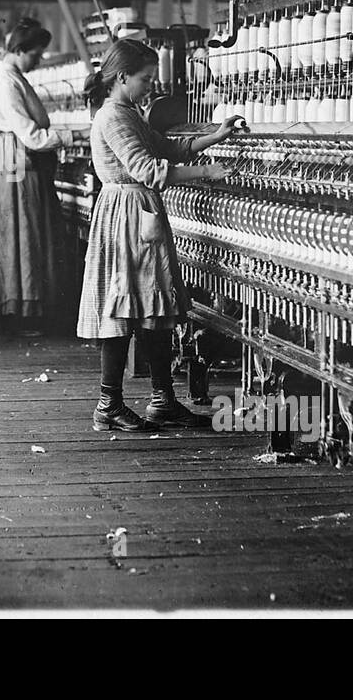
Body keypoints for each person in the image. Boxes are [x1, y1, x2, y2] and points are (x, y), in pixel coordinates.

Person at [78, 38, 246, 431]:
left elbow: (168, 147)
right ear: (122, 77)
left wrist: (215, 137)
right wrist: (208, 172)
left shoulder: (129, 112)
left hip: (141, 214)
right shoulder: (113, 117)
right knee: (122, 309)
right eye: (146, 78)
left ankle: (162, 399)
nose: (152, 86)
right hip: (127, 215)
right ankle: (108, 404)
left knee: (154, 308)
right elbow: (148, 168)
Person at [0, 16, 73, 334]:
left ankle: (25, 308)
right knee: (23, 235)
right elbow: (30, 135)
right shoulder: (7, 80)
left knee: (22, 233)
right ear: (21, 49)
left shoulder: (11, 75)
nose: (38, 61)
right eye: (36, 54)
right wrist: (72, 136)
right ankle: (23, 311)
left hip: (15, 160)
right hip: (17, 161)